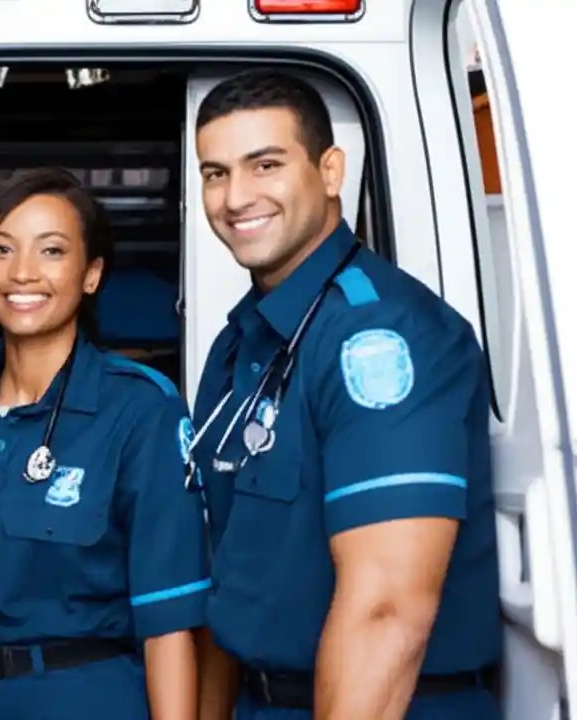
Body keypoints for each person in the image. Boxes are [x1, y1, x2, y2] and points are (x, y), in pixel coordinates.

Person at [188, 68, 502, 719]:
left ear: (331, 171)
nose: (236, 197)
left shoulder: (384, 335)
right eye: (215, 173)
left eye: (264, 164)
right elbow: (230, 574)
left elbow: (387, 611)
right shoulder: (238, 345)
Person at [0, 168, 210, 720]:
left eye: (52, 251)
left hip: (83, 697)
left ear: (91, 274)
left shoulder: (141, 410)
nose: (22, 273)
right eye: (1, 250)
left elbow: (168, 626)